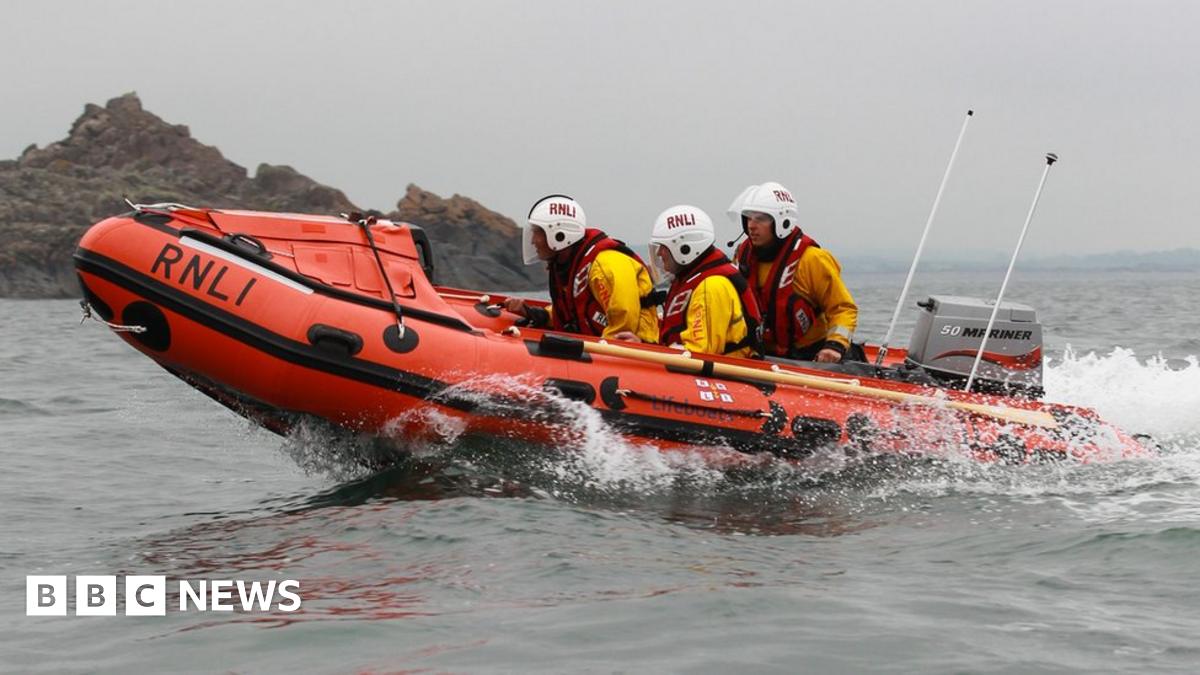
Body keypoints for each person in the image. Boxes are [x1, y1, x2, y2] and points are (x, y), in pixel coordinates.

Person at [728, 182, 858, 363]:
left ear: (783, 221)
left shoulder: (812, 260)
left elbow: (843, 308)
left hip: (812, 356)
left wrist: (835, 345)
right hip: (763, 353)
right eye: (748, 218)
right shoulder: (743, 256)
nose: (752, 226)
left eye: (761, 219)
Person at [504, 194, 659, 342]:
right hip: (600, 345)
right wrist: (535, 314)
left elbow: (623, 325)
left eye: (538, 233)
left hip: (641, 349)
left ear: (558, 234)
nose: (532, 241)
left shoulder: (604, 267)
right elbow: (574, 311)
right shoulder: (570, 265)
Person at [616, 205, 761, 358]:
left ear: (685, 248)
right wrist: (645, 345)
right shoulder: (693, 280)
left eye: (664, 247)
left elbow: (696, 356)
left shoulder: (711, 287)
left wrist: (646, 353)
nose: (659, 253)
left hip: (724, 376)